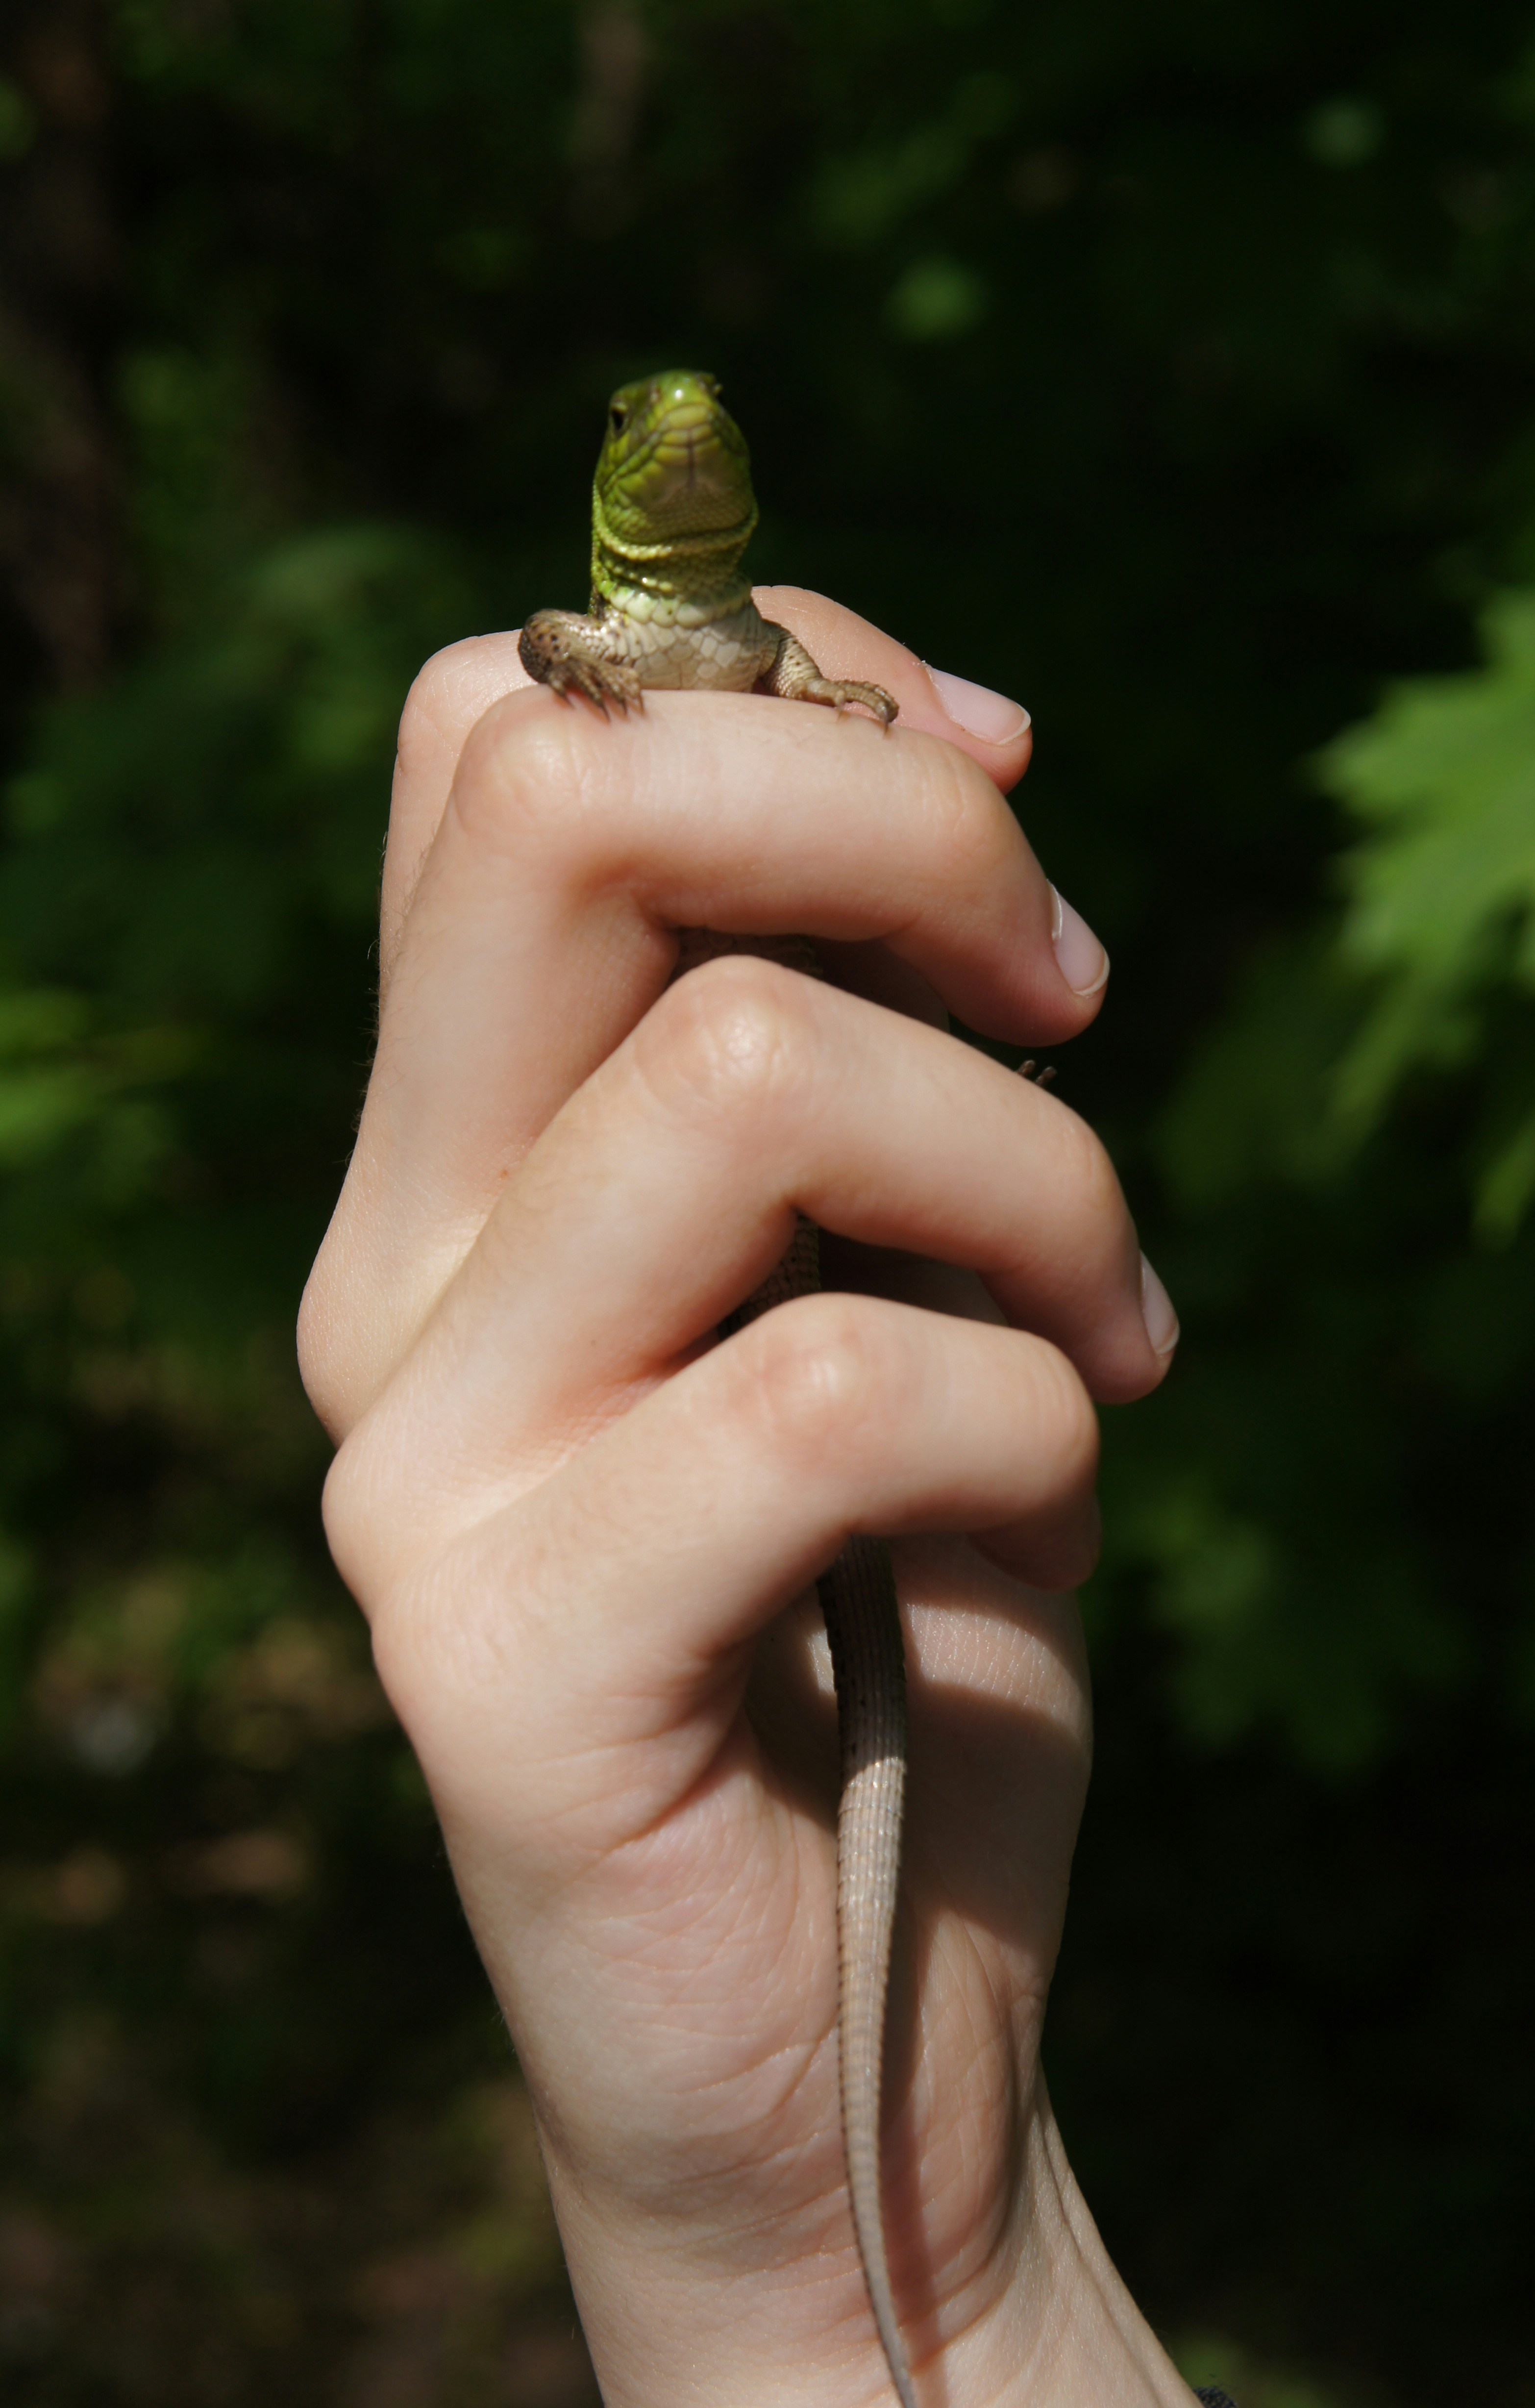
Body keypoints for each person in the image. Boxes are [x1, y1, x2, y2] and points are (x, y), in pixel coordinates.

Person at [297, 586, 1197, 2407]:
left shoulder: (760, 663)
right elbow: (572, 644)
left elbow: (789, 673)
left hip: (815, 1255)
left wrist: (972, 2293)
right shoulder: (598, 639)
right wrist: (774, 2316)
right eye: (647, 418)